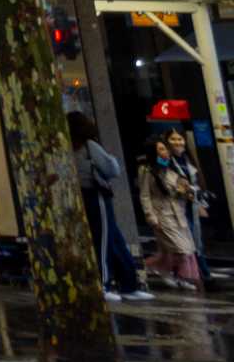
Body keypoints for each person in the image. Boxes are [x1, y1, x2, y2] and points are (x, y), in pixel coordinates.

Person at [67, 111, 150, 301]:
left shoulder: (72, 146)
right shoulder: (90, 146)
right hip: (96, 195)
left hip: (84, 194)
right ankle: (105, 285)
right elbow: (112, 169)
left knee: (113, 238)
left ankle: (128, 284)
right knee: (104, 239)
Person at [137, 131, 210, 290]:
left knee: (185, 249)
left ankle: (167, 272)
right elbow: (145, 195)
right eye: (161, 149)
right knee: (180, 249)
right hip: (162, 214)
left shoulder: (172, 167)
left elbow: (183, 189)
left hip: (178, 213)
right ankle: (165, 271)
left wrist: (186, 192)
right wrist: (151, 216)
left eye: (165, 149)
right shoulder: (146, 170)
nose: (165, 152)